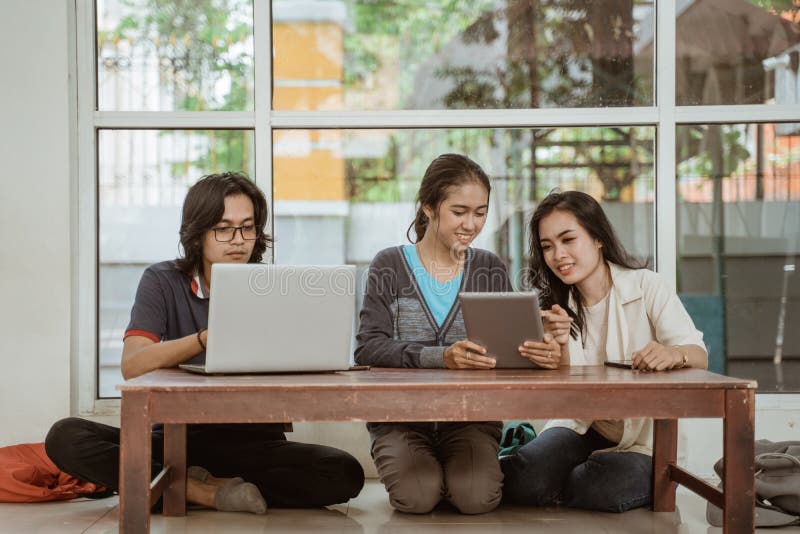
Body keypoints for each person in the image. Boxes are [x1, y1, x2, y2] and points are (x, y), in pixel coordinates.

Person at [45, 172, 364, 514]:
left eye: (247, 227)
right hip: (175, 440)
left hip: (253, 442)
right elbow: (132, 363)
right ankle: (199, 490)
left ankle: (176, 486)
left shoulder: (272, 285)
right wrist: (204, 339)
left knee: (345, 473)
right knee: (65, 436)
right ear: (198, 232)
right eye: (223, 228)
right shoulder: (162, 280)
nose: (238, 240)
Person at [354, 154, 560, 515]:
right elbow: (369, 347)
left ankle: (475, 463)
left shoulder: (489, 268)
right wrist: (441, 357)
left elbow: (510, 350)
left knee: (476, 498)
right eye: (459, 211)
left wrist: (543, 344)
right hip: (400, 419)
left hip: (471, 420)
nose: (471, 223)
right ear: (429, 208)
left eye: (480, 212)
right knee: (416, 498)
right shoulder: (389, 265)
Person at [500, 190, 708, 513]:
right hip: (583, 427)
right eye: (547, 246)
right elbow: (566, 387)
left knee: (600, 486)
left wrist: (673, 354)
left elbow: (698, 354)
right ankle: (553, 473)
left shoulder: (647, 287)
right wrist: (556, 358)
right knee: (525, 479)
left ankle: (563, 479)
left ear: (597, 238)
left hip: (643, 443)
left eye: (568, 239)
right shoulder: (554, 310)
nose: (558, 255)